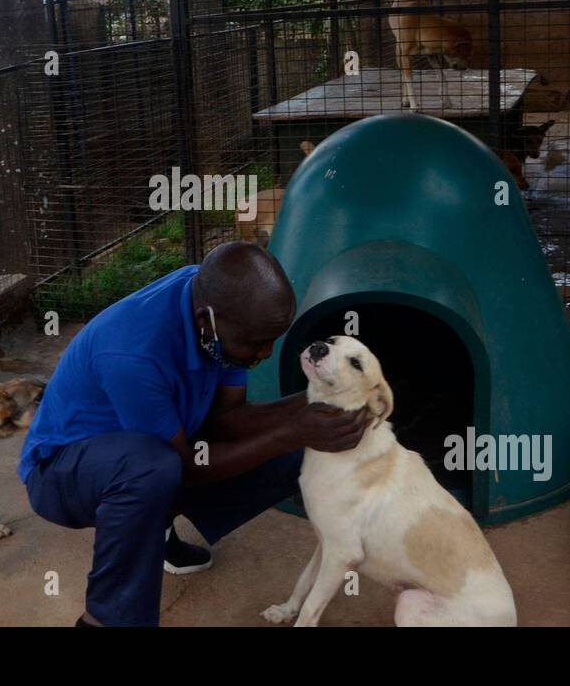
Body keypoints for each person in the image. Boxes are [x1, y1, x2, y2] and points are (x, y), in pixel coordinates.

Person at [18, 240, 369, 626]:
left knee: (298, 452)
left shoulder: (219, 307)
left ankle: (157, 528)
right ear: (207, 320)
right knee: (152, 469)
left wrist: (322, 404)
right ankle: (106, 619)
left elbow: (228, 419)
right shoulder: (133, 354)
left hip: (155, 450)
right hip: (63, 473)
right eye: (255, 343)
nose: (266, 353)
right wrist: (291, 431)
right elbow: (185, 466)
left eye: (272, 340)